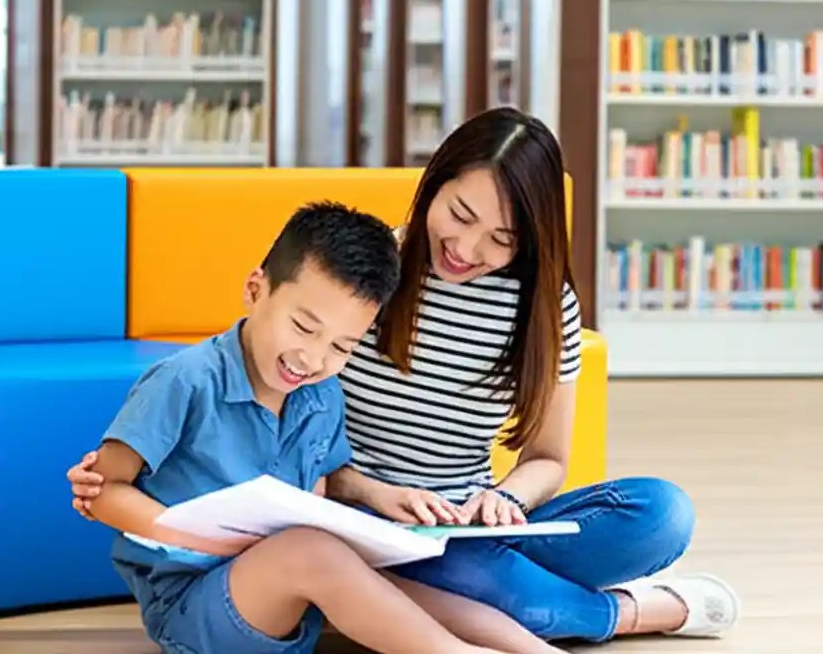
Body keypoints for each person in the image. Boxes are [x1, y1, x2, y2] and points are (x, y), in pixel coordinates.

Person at [70, 109, 740, 644]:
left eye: (502, 239)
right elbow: (268, 360)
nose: (467, 249)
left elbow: (549, 460)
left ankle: (528, 590)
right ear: (434, 184)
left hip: (473, 518)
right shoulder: (366, 277)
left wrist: (504, 498)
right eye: (460, 214)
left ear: (530, 240)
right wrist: (378, 494)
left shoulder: (542, 305)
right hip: (374, 527)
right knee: (511, 597)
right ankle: (623, 613)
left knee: (661, 516)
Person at [77, 200, 565, 654]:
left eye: (342, 347)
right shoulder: (185, 381)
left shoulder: (323, 396)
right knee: (310, 549)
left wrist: (374, 510)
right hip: (193, 604)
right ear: (255, 290)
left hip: (291, 596)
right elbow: (102, 492)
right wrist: (204, 539)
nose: (313, 359)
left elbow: (316, 498)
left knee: (394, 581)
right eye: (304, 328)